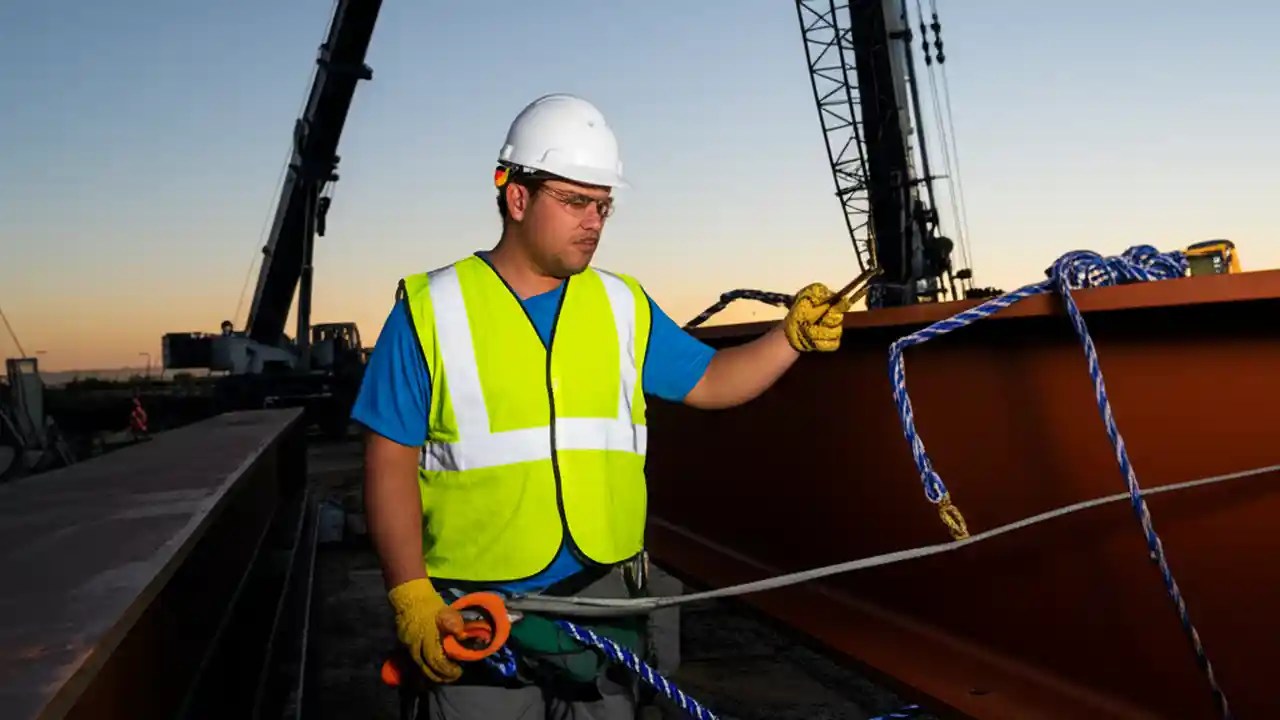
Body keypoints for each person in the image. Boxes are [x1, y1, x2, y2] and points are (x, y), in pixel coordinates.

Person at [353, 93, 850, 719]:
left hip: (606, 608)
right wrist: (410, 594)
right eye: (575, 202)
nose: (594, 220)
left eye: (603, 206)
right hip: (476, 615)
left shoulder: (622, 305)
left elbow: (715, 381)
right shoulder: (430, 311)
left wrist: (791, 338)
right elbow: (388, 462)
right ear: (517, 198)